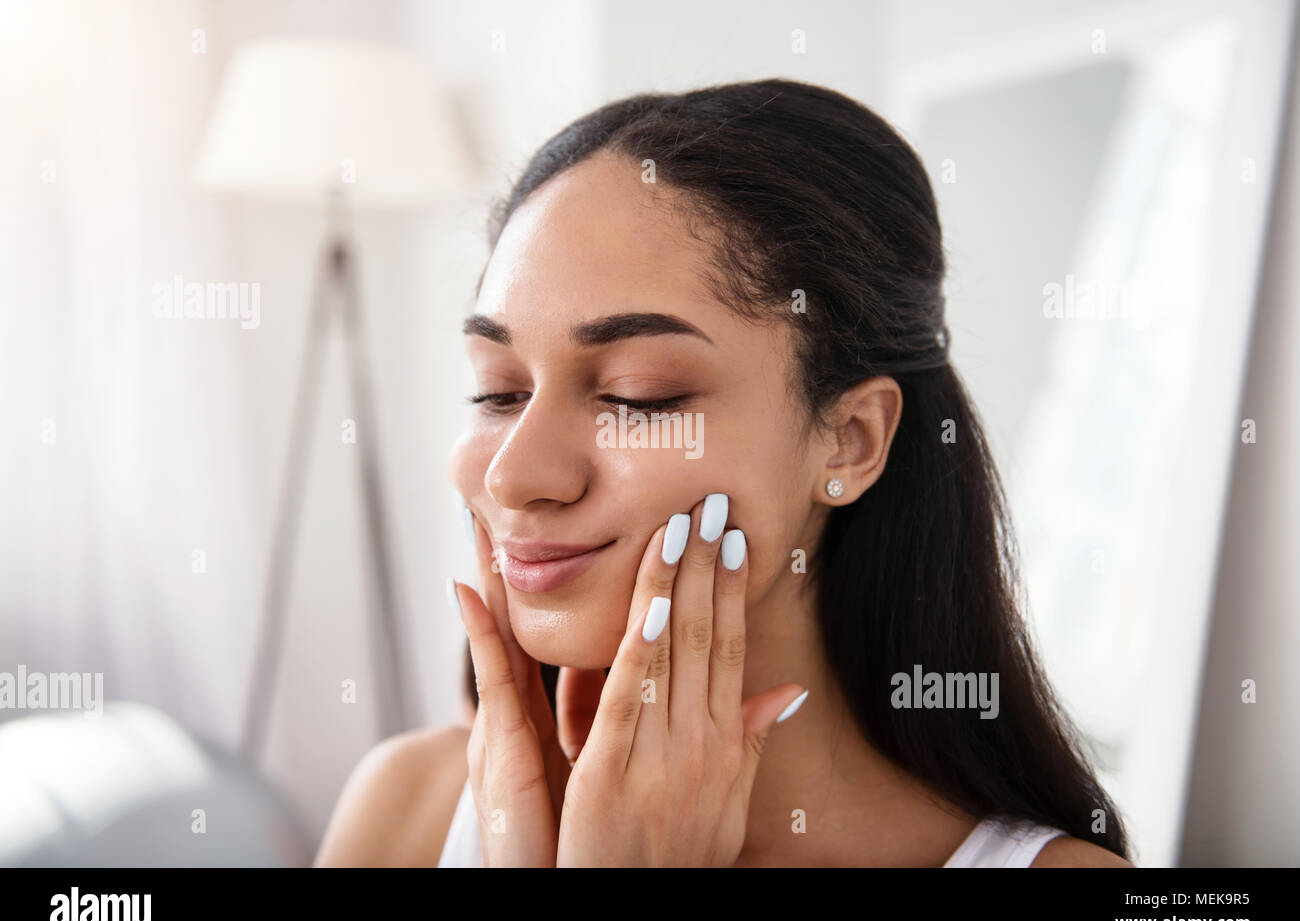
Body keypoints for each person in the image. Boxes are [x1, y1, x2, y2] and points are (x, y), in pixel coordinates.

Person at [315, 78, 1133, 867]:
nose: (513, 475)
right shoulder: (406, 811)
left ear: (848, 439)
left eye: (637, 397)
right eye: (499, 391)